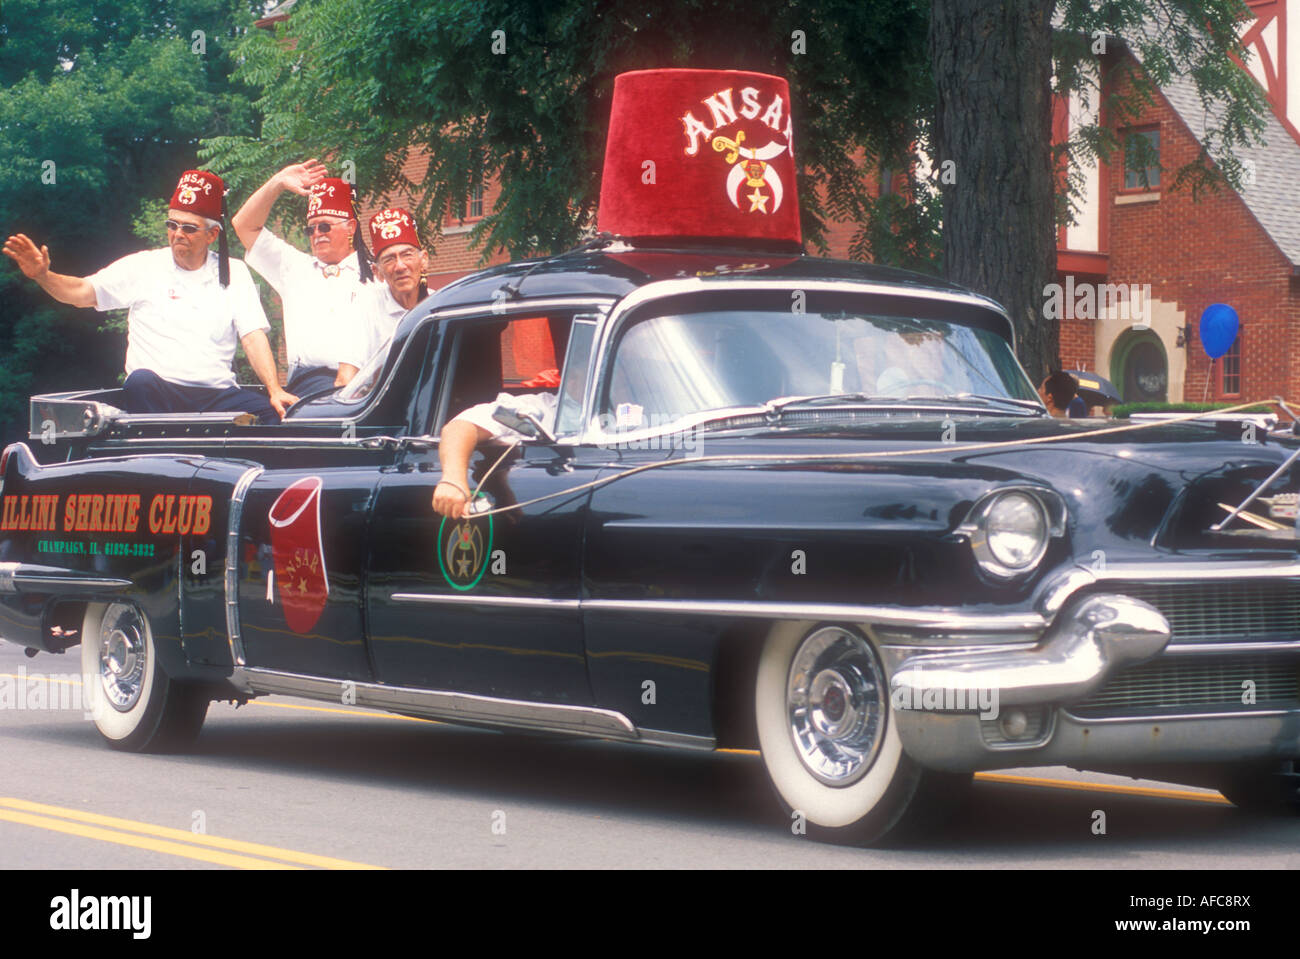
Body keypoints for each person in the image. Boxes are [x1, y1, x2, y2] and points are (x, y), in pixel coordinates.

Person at [2, 169, 294, 421]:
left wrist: (274, 389)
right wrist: (43, 276)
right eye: (172, 225)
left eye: (189, 228)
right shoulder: (144, 266)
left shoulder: (235, 272)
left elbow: (253, 336)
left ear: (212, 235)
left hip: (216, 395)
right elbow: (82, 292)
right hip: (157, 393)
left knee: (271, 415)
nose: (178, 234)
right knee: (140, 381)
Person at [232, 160, 374, 398]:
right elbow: (244, 225)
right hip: (308, 386)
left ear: (350, 227)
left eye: (325, 227)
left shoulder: (376, 275)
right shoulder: (294, 268)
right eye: (311, 229)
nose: (317, 234)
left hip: (367, 386)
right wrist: (277, 183)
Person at [363, 207, 429, 369]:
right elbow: (349, 376)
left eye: (407, 255)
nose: (400, 266)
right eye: (389, 259)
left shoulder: (440, 306)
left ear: (424, 261)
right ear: (377, 272)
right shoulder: (366, 311)